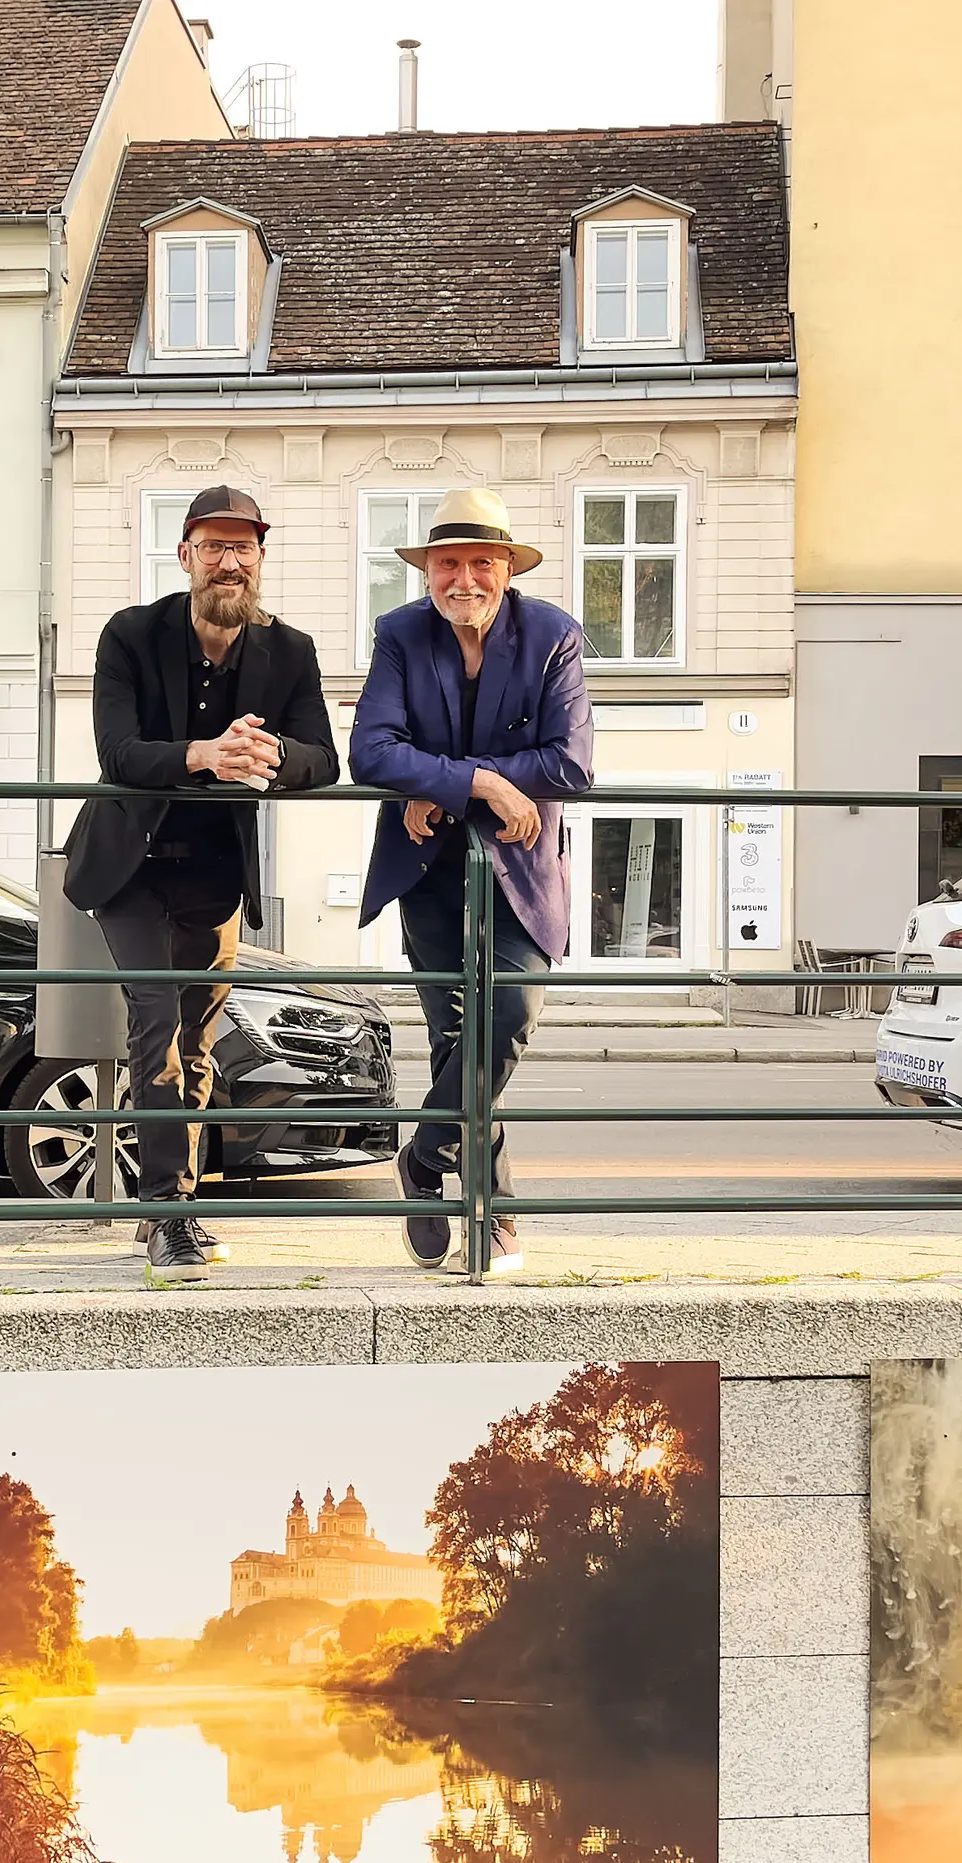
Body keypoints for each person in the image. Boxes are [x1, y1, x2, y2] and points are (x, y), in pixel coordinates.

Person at [64, 485, 339, 1277]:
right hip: (130, 865)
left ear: (260, 557)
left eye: (242, 546)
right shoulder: (130, 635)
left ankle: (178, 1205)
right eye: (212, 546)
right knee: (154, 1028)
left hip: (218, 871)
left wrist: (270, 758)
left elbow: (324, 759)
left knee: (196, 1041)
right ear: (184, 555)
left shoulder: (289, 650)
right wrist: (203, 754)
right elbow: (117, 754)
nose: (228, 561)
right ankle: (165, 1217)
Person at [350, 487, 594, 1275]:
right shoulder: (399, 633)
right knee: (456, 1035)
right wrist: (484, 785)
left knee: (509, 1014)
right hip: (424, 863)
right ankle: (491, 1215)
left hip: (520, 864)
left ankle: (423, 1158)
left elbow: (571, 762)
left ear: (506, 568)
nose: (464, 577)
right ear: (427, 570)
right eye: (447, 562)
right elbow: (371, 752)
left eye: (481, 562)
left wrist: (450, 779)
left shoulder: (552, 635)